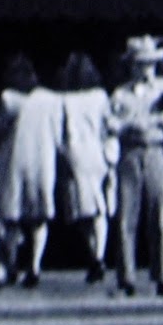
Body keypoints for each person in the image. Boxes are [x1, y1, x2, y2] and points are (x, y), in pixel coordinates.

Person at [109, 35, 163, 297]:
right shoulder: (120, 94)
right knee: (125, 218)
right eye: (141, 64)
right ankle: (126, 279)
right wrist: (130, 123)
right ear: (131, 65)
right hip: (130, 153)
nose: (146, 69)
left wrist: (155, 119)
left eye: (150, 64)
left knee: (159, 215)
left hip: (155, 151)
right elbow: (110, 124)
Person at [0, 53, 64, 288]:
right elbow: (58, 134)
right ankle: (35, 265)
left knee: (12, 217)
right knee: (38, 217)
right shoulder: (51, 100)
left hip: (15, 161)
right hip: (43, 161)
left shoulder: (9, 99)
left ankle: (13, 264)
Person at [57, 52, 114, 284]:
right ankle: (98, 254)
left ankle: (94, 255)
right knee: (99, 209)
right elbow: (108, 124)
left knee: (82, 211)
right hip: (96, 153)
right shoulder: (100, 97)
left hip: (75, 154)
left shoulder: (65, 100)